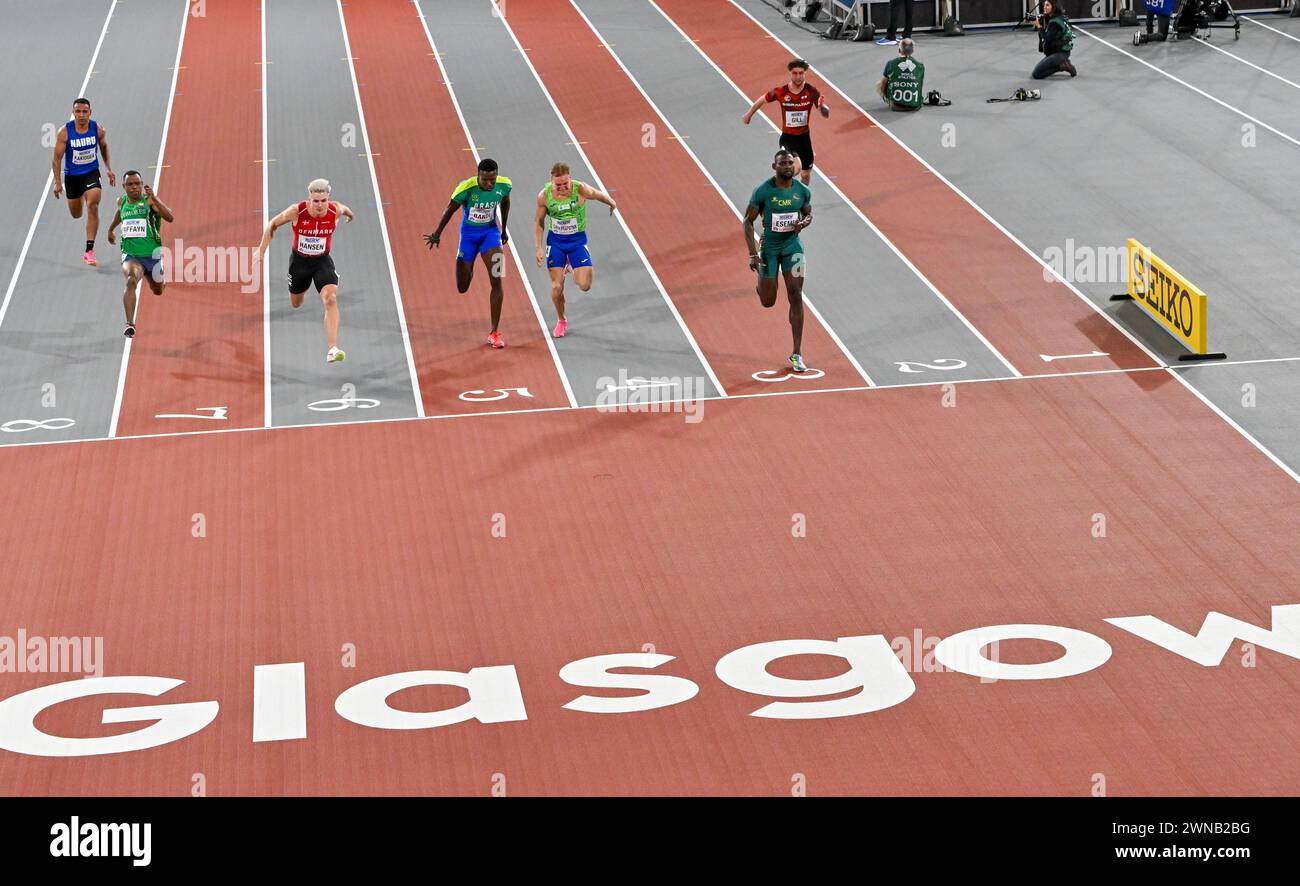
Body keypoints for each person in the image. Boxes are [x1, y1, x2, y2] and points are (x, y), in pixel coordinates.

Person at [258, 179, 355, 363]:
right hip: (299, 263)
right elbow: (273, 224)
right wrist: (261, 251)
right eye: (315, 201)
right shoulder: (297, 211)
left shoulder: (335, 210)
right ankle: (303, 289)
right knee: (296, 303)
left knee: (331, 298)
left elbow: (346, 209)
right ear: (309, 199)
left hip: (322, 262)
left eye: (323, 200)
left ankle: (332, 348)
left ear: (328, 199)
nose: (319, 205)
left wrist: (351, 215)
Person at [425, 158, 513, 349]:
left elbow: (505, 203)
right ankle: (469, 265)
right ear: (478, 175)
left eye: (492, 180)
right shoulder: (465, 188)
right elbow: (449, 210)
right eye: (485, 180)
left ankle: (494, 332)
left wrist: (504, 229)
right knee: (462, 286)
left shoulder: (505, 185)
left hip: (491, 234)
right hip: (469, 237)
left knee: (498, 278)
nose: (489, 184)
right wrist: (437, 233)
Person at [742, 149, 813, 374]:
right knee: (768, 301)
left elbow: (808, 214)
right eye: (782, 163)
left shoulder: (802, 191)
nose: (787, 166)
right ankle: (761, 280)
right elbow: (747, 221)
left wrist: (804, 223)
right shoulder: (763, 192)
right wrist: (753, 254)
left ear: (795, 165)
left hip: (793, 247)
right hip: (770, 249)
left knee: (796, 294)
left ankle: (797, 353)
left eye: (790, 163)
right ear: (775, 167)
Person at [533, 162, 617, 338]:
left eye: (566, 184)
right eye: (558, 185)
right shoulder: (544, 196)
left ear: (571, 179)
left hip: (577, 242)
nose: (563, 188)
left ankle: (571, 262)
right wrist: (539, 248)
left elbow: (597, 194)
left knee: (585, 285)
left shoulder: (581, 189)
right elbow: (539, 222)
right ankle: (561, 320)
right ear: (552, 181)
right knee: (556, 287)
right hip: (556, 244)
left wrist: (611, 202)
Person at [741, 59, 830, 187]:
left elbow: (826, 114)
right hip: (788, 139)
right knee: (797, 167)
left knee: (805, 174)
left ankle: (802, 201)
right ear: (790, 73)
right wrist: (748, 115)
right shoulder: (781, 91)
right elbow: (761, 100)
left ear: (804, 73)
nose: (798, 76)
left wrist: (822, 108)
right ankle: (776, 186)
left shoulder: (811, 91)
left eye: (801, 73)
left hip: (805, 139)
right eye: (795, 73)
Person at [106, 171, 173, 337]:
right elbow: (120, 214)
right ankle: (129, 324)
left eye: (137, 183)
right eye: (130, 184)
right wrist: (110, 228)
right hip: (131, 256)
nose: (134, 187)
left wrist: (155, 198)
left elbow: (170, 217)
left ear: (142, 185)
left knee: (158, 290)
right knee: (131, 281)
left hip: (152, 256)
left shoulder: (149, 201)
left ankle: (161, 282)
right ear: (124, 187)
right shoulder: (121, 201)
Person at [51, 97, 116, 266]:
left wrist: (108, 168)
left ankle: (89, 251)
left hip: (91, 173)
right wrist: (58, 183)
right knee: (76, 214)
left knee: (93, 204)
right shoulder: (64, 132)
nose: (81, 115)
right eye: (78, 111)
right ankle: (79, 197)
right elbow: (57, 159)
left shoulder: (97, 129)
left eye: (84, 111)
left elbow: (103, 146)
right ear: (73, 113)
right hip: (72, 177)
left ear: (90, 112)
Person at [1032, 1, 1077, 79]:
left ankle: (1062, 66)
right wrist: (1040, 20)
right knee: (1044, 67)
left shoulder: (1054, 23)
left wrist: (1038, 26)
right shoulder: (1060, 17)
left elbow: (1047, 39)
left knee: (1036, 74)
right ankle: (1061, 62)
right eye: (1044, 5)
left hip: (1060, 53)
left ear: (1054, 7)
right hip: (1060, 50)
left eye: (1047, 5)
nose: (1044, 7)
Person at [877, 39, 925, 111]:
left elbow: (883, 83)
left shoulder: (891, 63)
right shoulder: (920, 66)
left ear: (899, 50)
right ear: (912, 51)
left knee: (881, 82)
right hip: (915, 106)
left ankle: (890, 100)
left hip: (896, 106)